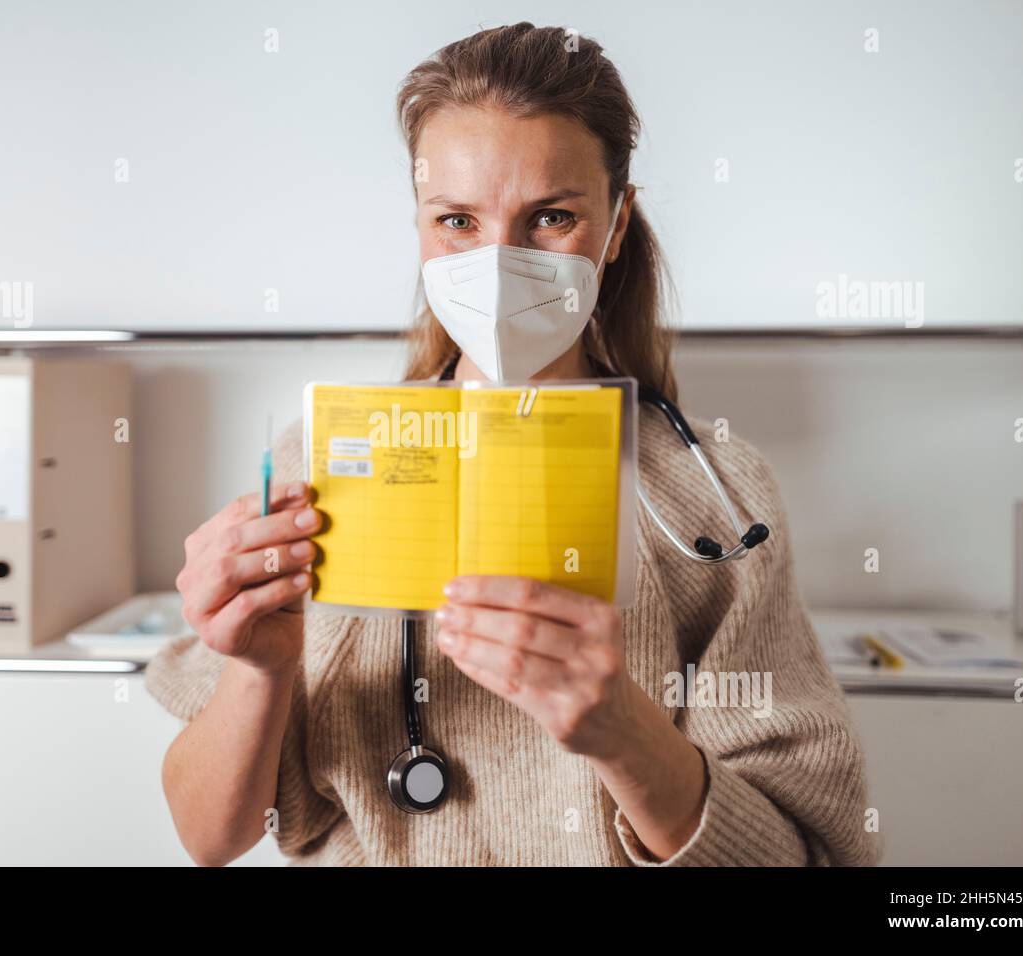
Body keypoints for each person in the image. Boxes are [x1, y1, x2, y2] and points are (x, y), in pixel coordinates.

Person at [148, 22, 879, 867]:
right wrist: (261, 670)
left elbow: (805, 855)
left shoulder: (713, 501)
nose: (496, 267)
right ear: (419, 226)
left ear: (614, 227)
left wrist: (621, 730)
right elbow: (211, 837)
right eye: (458, 220)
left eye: (551, 218)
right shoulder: (325, 458)